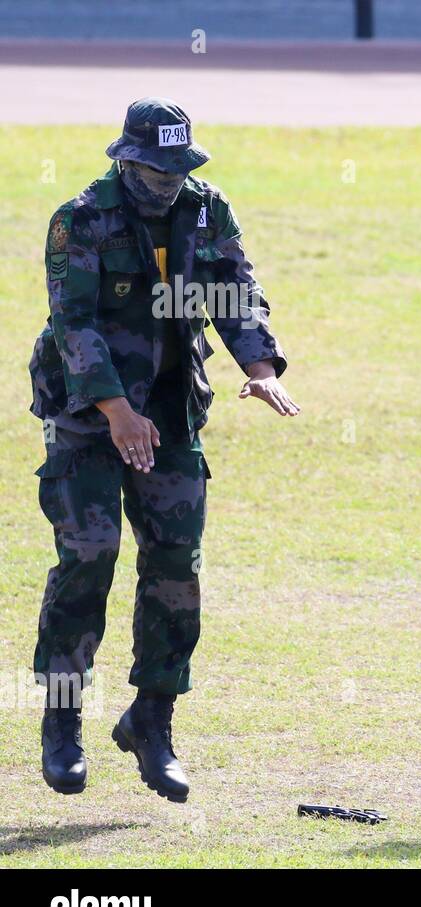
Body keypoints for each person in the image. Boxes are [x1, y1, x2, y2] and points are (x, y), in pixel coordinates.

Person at [30, 97, 298, 801]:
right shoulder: (80, 218)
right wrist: (115, 409)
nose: (167, 183)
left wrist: (260, 368)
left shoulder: (206, 209)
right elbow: (72, 321)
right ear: (127, 159)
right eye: (155, 170)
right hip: (87, 415)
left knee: (177, 563)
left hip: (171, 409)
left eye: (178, 169)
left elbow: (235, 288)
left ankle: (153, 717)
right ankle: (62, 720)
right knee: (89, 554)